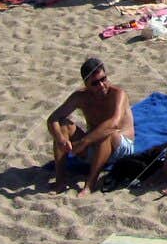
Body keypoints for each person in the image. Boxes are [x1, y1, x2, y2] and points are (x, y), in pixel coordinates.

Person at [46, 58, 135, 195]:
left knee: (107, 132)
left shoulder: (118, 94)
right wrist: (60, 139)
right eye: (95, 83)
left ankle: (90, 184)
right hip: (94, 147)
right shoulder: (80, 97)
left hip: (120, 146)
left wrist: (83, 142)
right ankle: (60, 180)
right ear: (86, 84)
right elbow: (53, 118)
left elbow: (114, 123)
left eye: (103, 79)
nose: (101, 85)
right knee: (63, 126)